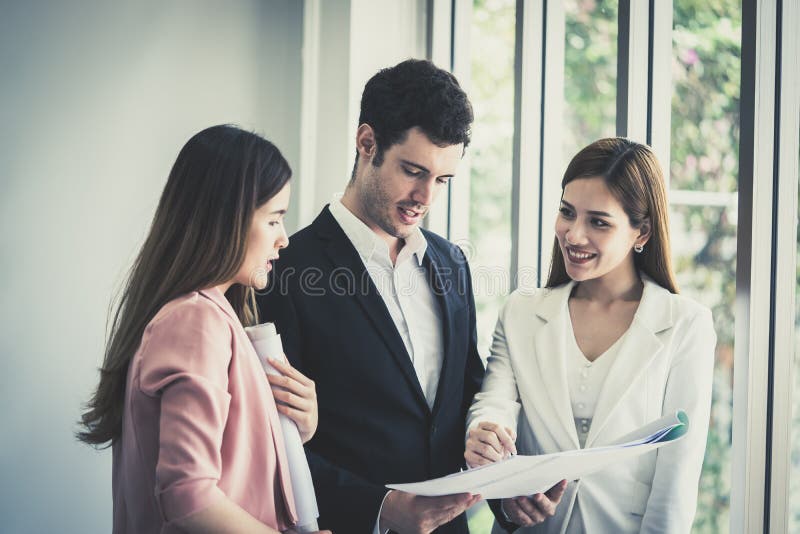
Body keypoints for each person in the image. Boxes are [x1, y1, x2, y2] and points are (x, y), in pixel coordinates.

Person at [257, 59, 564, 533]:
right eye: (413, 171)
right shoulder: (283, 270)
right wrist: (380, 508)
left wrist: (507, 488)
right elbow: (269, 443)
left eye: (442, 180)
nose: (426, 196)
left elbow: (466, 398)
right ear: (367, 143)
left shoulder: (451, 264)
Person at [77, 125, 329, 534]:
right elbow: (188, 495)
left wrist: (298, 427)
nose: (283, 239)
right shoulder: (195, 320)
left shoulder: (211, 317)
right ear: (227, 219)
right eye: (273, 220)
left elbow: (229, 467)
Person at [465, 137, 716, 533]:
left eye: (598, 221)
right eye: (567, 212)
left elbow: (676, 483)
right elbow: (493, 403)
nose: (574, 235)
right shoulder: (522, 312)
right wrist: (486, 435)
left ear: (642, 232)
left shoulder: (686, 325)